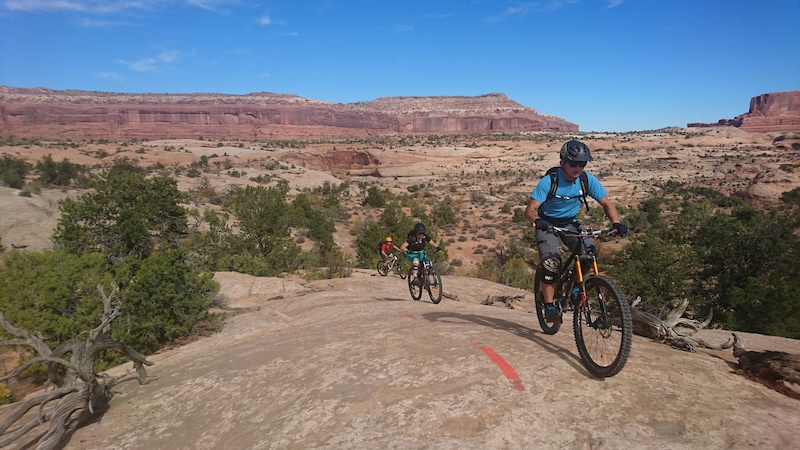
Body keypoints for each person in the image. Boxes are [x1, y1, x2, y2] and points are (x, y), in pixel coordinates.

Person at [524, 140, 628, 323]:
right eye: (573, 163)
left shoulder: (587, 180)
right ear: (562, 162)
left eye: (582, 163)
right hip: (548, 224)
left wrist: (616, 222)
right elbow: (530, 209)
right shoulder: (550, 181)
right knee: (551, 263)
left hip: (570, 223)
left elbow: (606, 203)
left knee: (589, 252)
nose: (578, 167)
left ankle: (574, 285)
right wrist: (538, 221)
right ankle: (549, 305)